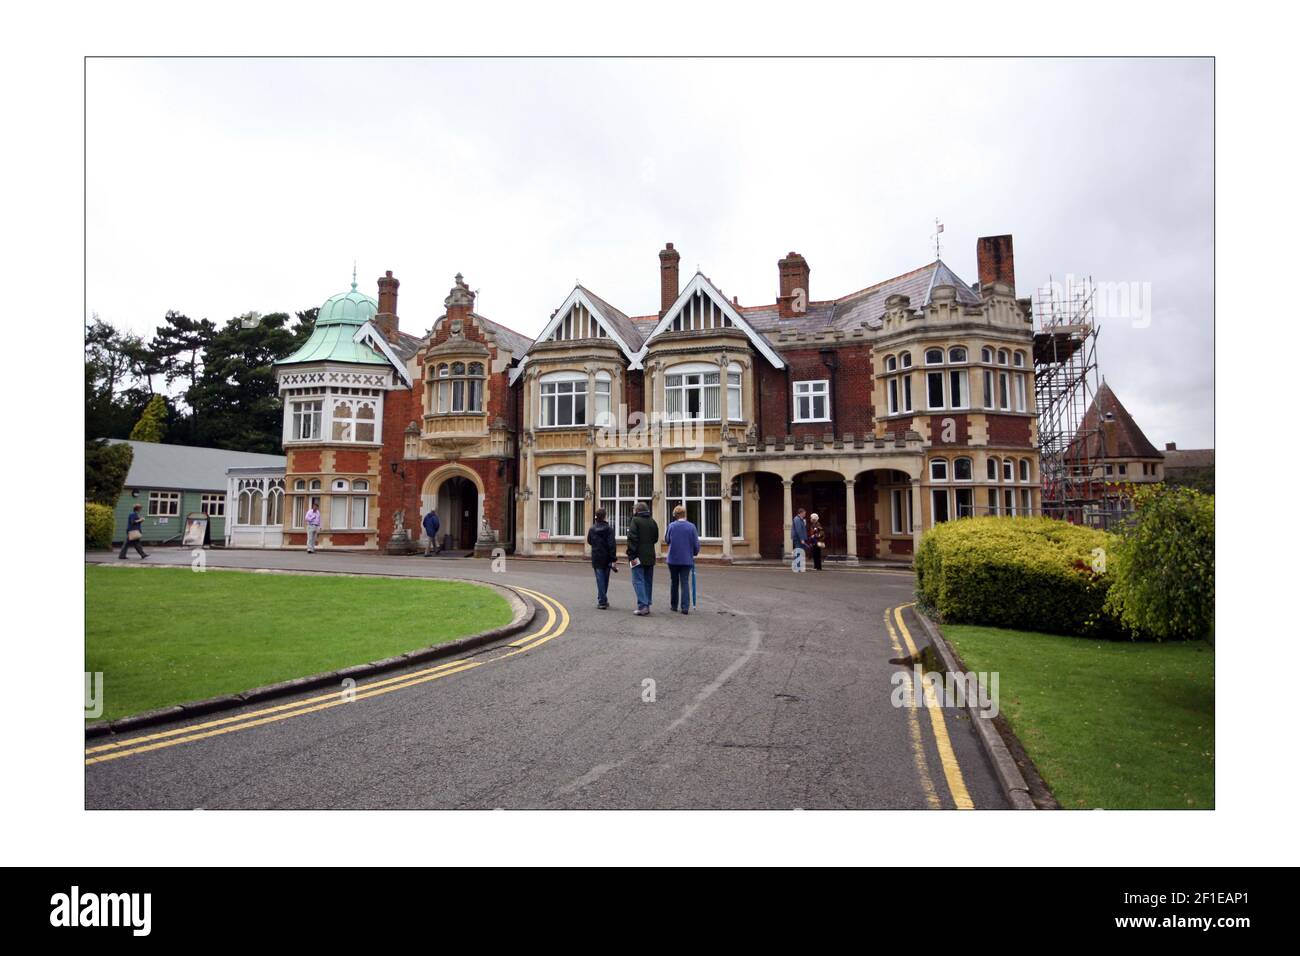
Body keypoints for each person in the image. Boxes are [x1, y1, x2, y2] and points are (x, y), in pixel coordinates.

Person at [663, 504, 700, 615]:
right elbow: (696, 544)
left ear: (676, 515)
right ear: (684, 514)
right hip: (686, 559)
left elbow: (667, 540)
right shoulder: (692, 527)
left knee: (674, 582)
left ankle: (674, 606)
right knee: (685, 582)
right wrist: (693, 553)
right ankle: (685, 607)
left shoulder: (671, 526)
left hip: (673, 559)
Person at [625, 500, 659, 616]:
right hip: (650, 556)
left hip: (637, 556)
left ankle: (642, 605)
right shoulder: (652, 521)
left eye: (634, 509)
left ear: (638, 510)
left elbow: (632, 538)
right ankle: (647, 604)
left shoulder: (635, 521)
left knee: (637, 581)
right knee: (648, 581)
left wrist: (631, 555)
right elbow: (655, 538)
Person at [586, 508, 617, 609]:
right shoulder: (609, 529)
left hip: (596, 556)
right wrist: (613, 559)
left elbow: (589, 541)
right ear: (604, 516)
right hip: (607, 557)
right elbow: (612, 545)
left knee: (600, 579)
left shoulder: (592, 529)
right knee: (605, 579)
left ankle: (602, 600)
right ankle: (602, 600)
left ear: (596, 516)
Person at [791, 507, 809, 573]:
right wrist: (802, 539)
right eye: (804, 513)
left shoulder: (800, 519)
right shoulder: (797, 519)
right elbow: (798, 530)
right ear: (801, 513)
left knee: (800, 553)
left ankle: (799, 567)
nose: (805, 514)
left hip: (799, 538)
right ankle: (797, 567)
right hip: (798, 539)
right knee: (798, 553)